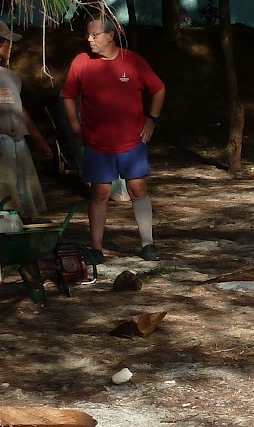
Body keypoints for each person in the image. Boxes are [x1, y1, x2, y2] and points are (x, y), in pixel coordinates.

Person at [60, 13, 166, 263]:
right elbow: (67, 96)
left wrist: (152, 120)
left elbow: (159, 89)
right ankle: (96, 248)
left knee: (137, 188)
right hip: (97, 143)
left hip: (131, 141)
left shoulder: (132, 61)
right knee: (100, 192)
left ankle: (147, 244)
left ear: (110, 35)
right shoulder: (81, 62)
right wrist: (76, 127)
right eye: (88, 35)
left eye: (94, 35)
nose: (89, 40)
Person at [0, 19, 52, 221]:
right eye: (6, 44)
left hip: (17, 141)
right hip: (1, 140)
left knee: (23, 190)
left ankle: (21, 229)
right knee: (5, 190)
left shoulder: (12, 77)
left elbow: (19, 110)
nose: (9, 49)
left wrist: (39, 141)